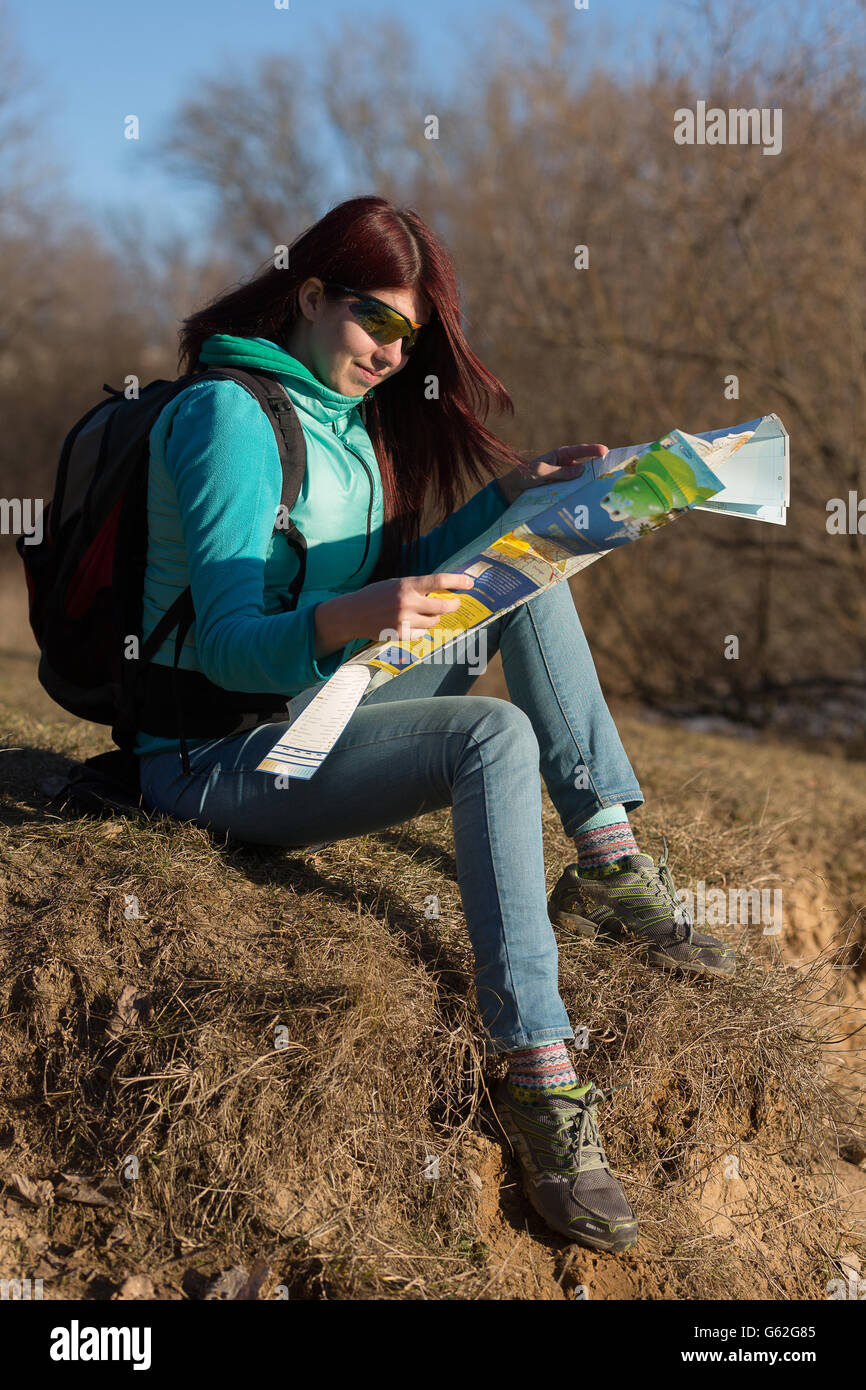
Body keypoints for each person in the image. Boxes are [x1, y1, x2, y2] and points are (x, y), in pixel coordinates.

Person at [137, 195, 735, 1254]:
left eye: (412, 335)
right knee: (490, 737)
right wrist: (341, 619)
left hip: (315, 710)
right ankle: (540, 1076)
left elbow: (390, 583)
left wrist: (510, 498)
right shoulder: (224, 417)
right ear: (310, 294)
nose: (392, 352)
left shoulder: (345, 424)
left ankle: (606, 858)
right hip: (215, 753)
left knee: (529, 574)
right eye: (379, 321)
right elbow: (230, 642)